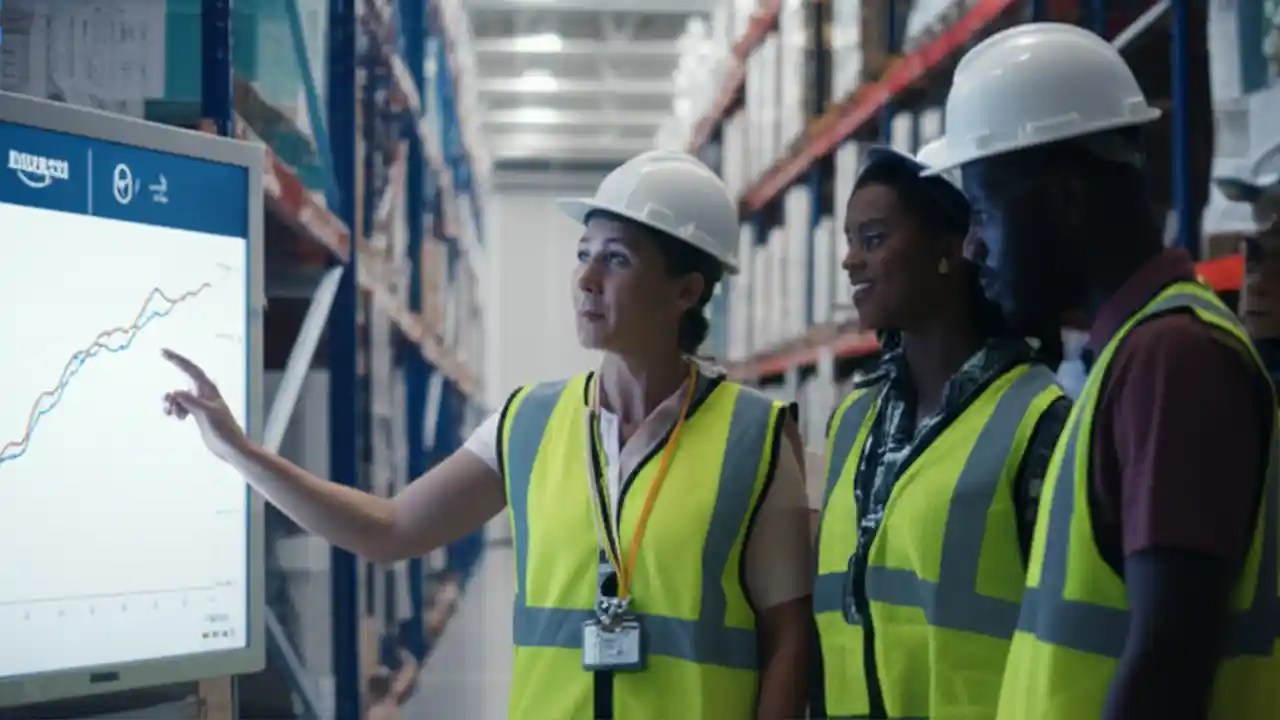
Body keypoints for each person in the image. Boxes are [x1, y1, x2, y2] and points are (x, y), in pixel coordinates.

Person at [161, 150, 813, 720]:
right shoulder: (528, 423)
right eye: (583, 254)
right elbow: (389, 529)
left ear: (686, 290)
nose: (586, 279)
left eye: (616, 260)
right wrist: (242, 453)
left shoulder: (753, 437)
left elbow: (789, 638)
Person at [923, 22, 1280, 719]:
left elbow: (1168, 665)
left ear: (1067, 201)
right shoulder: (1125, 359)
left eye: (986, 213)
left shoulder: (1173, 362)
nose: (971, 247)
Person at [810, 141, 1069, 719]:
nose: (852, 261)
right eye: (850, 242)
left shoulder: (1037, 418)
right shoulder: (854, 421)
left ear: (949, 250)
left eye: (873, 240)